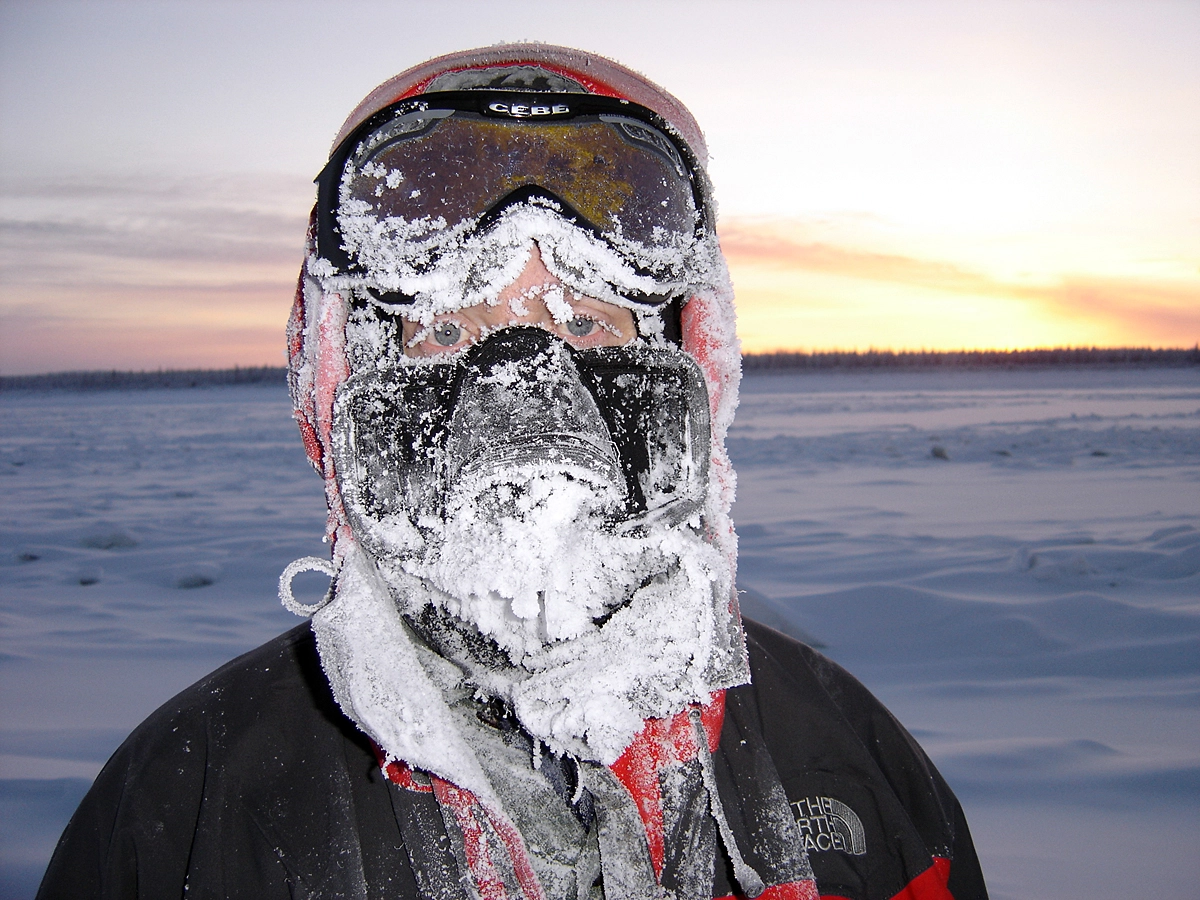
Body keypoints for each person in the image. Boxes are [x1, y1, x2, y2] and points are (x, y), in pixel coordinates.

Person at [38, 44, 988, 900]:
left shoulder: (851, 773)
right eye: (450, 331)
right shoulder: (190, 806)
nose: (526, 390)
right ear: (349, 382)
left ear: (690, 363)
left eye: (583, 325)